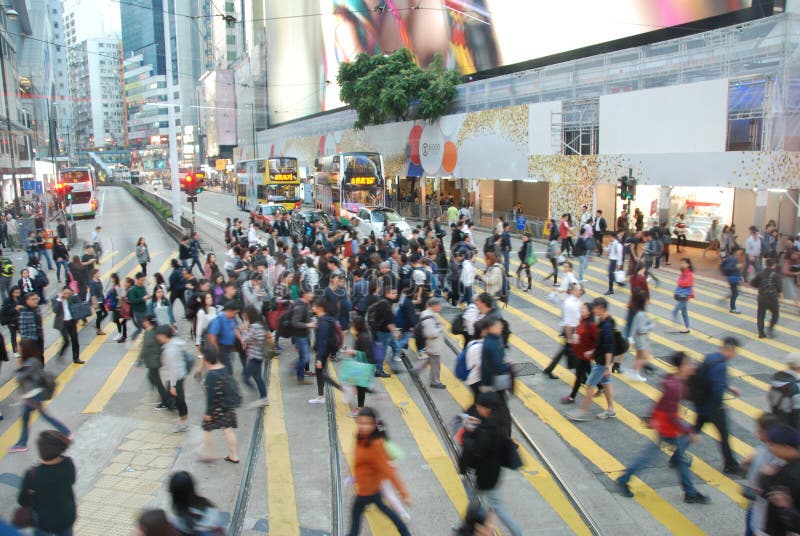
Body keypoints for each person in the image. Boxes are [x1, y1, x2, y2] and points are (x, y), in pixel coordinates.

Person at [616, 352, 710, 504]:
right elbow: (672, 414)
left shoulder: (675, 380)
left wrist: (651, 416)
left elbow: (661, 401)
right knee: (655, 456)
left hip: (665, 422)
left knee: (676, 458)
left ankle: (690, 492)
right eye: (689, 364)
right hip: (668, 426)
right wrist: (689, 432)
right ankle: (690, 493)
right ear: (681, 367)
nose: (692, 366)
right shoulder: (676, 386)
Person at [459, 391, 521, 536]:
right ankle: (465, 526)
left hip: (485, 475)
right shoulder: (496, 422)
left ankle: (517, 533)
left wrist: (468, 433)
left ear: (488, 408)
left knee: (494, 506)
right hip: (490, 472)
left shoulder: (489, 429)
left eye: (480, 407)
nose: (478, 409)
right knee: (476, 502)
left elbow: (477, 450)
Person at [347, 407, 411, 536]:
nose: (363, 427)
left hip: (367, 490)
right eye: (360, 423)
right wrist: (355, 477)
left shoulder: (375, 445)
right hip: (368, 488)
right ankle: (405, 533)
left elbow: (388, 471)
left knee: (356, 516)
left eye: (367, 423)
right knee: (385, 510)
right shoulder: (360, 438)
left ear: (374, 424)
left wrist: (404, 493)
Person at [693, 336, 742, 474]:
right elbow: (716, 389)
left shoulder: (710, 357)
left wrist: (728, 387)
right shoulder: (721, 365)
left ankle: (676, 456)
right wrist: (718, 407)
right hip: (714, 408)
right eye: (734, 351)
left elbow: (709, 379)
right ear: (730, 350)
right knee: (724, 436)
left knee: (695, 430)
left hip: (702, 404)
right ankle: (730, 465)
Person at [8, 350, 72, 453]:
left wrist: (18, 364)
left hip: (33, 396)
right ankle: (22, 443)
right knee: (26, 418)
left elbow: (20, 377)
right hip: (32, 395)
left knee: (43, 416)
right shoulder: (34, 360)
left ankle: (66, 432)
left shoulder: (29, 363)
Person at [16, 431, 77, 534]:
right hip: (66, 517)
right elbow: (72, 480)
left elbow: (23, 501)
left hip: (43, 522)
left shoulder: (32, 474)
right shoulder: (68, 464)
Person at [567, 297, 617, 421]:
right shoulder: (603, 320)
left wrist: (607, 366)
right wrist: (593, 351)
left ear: (600, 308)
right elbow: (600, 342)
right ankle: (611, 410)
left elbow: (609, 347)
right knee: (606, 383)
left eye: (594, 308)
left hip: (602, 361)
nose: (593, 310)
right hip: (601, 358)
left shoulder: (607, 325)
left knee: (589, 384)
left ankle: (582, 411)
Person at [741, 413, 783, 536]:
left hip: (767, 514)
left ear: (767, 432)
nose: (756, 434)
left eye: (759, 430)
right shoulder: (762, 449)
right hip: (755, 506)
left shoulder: (777, 457)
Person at [198, 344, 240, 464]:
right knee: (228, 430)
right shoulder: (224, 368)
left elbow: (210, 397)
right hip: (228, 405)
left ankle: (208, 454)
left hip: (216, 408)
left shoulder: (211, 376)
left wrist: (208, 413)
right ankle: (234, 455)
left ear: (206, 360)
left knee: (207, 429)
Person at [758, 424, 800, 536]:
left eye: (772, 444)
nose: (770, 448)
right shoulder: (787, 465)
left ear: (787, 448)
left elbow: (767, 492)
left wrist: (766, 476)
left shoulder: (790, 475)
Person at [309, 298, 344, 404]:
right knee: (320, 373)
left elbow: (323, 341)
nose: (312, 308)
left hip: (323, 351)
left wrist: (319, 358)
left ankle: (340, 390)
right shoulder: (326, 318)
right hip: (325, 350)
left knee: (320, 373)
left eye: (314, 306)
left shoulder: (324, 321)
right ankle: (320, 396)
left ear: (320, 308)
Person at [561, 302, 598, 404]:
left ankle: (572, 396)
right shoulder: (582, 322)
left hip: (584, 355)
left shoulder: (592, 325)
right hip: (579, 352)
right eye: (581, 308)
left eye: (584, 309)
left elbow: (597, 340)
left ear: (589, 312)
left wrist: (592, 351)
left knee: (579, 376)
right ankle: (601, 386)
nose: (581, 310)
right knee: (589, 371)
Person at [156, 325, 190, 433]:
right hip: (180, 375)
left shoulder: (170, 350)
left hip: (176, 378)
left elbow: (173, 369)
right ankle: (182, 421)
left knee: (179, 401)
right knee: (178, 401)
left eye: (159, 335)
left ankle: (183, 424)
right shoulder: (175, 343)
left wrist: (173, 386)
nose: (158, 337)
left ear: (164, 336)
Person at [543, 283, 581, 380]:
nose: (579, 291)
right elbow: (568, 323)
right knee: (577, 352)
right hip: (571, 330)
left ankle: (549, 370)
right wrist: (569, 337)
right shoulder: (570, 303)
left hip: (573, 329)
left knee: (564, 351)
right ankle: (582, 375)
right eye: (577, 290)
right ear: (572, 291)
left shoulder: (574, 300)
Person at [411, 297, 446, 389]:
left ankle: (416, 369)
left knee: (430, 359)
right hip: (433, 345)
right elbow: (430, 333)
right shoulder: (429, 318)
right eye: (439, 306)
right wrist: (440, 328)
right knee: (435, 365)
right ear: (434, 306)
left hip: (432, 345)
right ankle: (435, 381)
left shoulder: (426, 313)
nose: (440, 308)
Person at [140, 314, 171, 410]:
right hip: (155, 359)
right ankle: (160, 396)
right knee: (151, 377)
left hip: (153, 360)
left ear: (147, 322)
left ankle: (165, 401)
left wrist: (139, 359)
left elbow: (145, 348)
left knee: (157, 381)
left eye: (144, 321)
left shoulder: (150, 333)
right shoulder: (155, 330)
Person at [242, 306, 270, 408]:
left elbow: (245, 339)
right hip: (257, 356)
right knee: (258, 378)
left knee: (245, 378)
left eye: (244, 315)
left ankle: (257, 395)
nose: (243, 317)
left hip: (255, 357)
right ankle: (263, 397)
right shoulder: (257, 325)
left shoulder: (254, 327)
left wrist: (245, 328)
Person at [206, 301, 243, 376]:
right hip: (222, 348)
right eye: (235, 313)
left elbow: (235, 329)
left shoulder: (231, 318)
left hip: (228, 347)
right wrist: (216, 351)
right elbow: (212, 335)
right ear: (229, 310)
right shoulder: (219, 320)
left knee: (226, 365)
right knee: (228, 369)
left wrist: (241, 339)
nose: (235, 315)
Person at [625, 289, 653, 382]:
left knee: (638, 357)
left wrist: (631, 338)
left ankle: (635, 373)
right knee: (644, 357)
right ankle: (632, 371)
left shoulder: (637, 312)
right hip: (641, 340)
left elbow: (633, 327)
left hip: (637, 339)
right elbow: (641, 330)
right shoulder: (641, 314)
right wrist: (650, 326)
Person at [751, 256, 782, 339]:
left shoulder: (760, 274)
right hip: (773, 298)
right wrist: (781, 297)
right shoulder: (776, 275)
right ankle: (770, 328)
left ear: (766, 264)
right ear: (774, 265)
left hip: (762, 297)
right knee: (775, 314)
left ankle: (761, 333)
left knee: (761, 315)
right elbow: (779, 288)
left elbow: (753, 283)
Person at [290, 288, 316, 385]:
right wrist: (308, 325)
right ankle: (294, 369)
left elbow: (306, 316)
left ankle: (300, 377)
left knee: (304, 356)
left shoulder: (306, 303)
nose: (312, 294)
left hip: (305, 334)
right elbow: (294, 322)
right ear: (304, 294)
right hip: (300, 336)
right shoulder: (299, 306)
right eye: (310, 293)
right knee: (304, 357)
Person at [52, 287, 84, 364]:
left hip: (72, 321)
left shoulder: (71, 298)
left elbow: (79, 304)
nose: (67, 295)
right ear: (62, 292)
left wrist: (75, 294)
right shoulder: (55, 299)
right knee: (66, 341)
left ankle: (76, 358)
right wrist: (59, 299)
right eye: (65, 293)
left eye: (69, 293)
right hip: (62, 323)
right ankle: (61, 353)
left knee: (75, 340)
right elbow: (55, 310)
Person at [672, 257, 694, 334]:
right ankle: (687, 327)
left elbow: (682, 283)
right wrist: (681, 282)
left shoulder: (689, 274)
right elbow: (680, 282)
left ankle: (676, 327)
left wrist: (681, 282)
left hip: (685, 296)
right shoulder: (683, 273)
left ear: (688, 264)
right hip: (682, 295)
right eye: (681, 263)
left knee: (675, 311)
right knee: (684, 312)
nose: (682, 264)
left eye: (684, 263)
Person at [721, 247, 744, 314]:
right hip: (733, 278)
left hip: (733, 277)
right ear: (736, 251)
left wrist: (740, 276)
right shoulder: (734, 258)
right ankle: (733, 308)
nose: (741, 253)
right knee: (735, 293)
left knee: (735, 292)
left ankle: (732, 304)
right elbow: (729, 268)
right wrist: (737, 267)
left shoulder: (733, 258)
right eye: (740, 251)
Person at [128, 272, 150, 341]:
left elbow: (145, 293)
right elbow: (133, 301)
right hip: (137, 312)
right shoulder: (133, 290)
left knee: (147, 326)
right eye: (142, 280)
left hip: (145, 309)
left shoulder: (143, 287)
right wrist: (143, 299)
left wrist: (148, 296)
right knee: (140, 328)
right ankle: (132, 339)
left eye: (144, 280)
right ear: (137, 280)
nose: (143, 282)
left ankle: (146, 340)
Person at [2, 286, 22, 353]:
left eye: (18, 292)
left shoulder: (19, 299)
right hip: (11, 321)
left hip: (19, 320)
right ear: (12, 293)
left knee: (24, 334)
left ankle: (24, 348)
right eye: (16, 292)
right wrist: (15, 309)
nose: (17, 294)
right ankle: (15, 351)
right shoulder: (7, 300)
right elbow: (4, 311)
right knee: (13, 336)